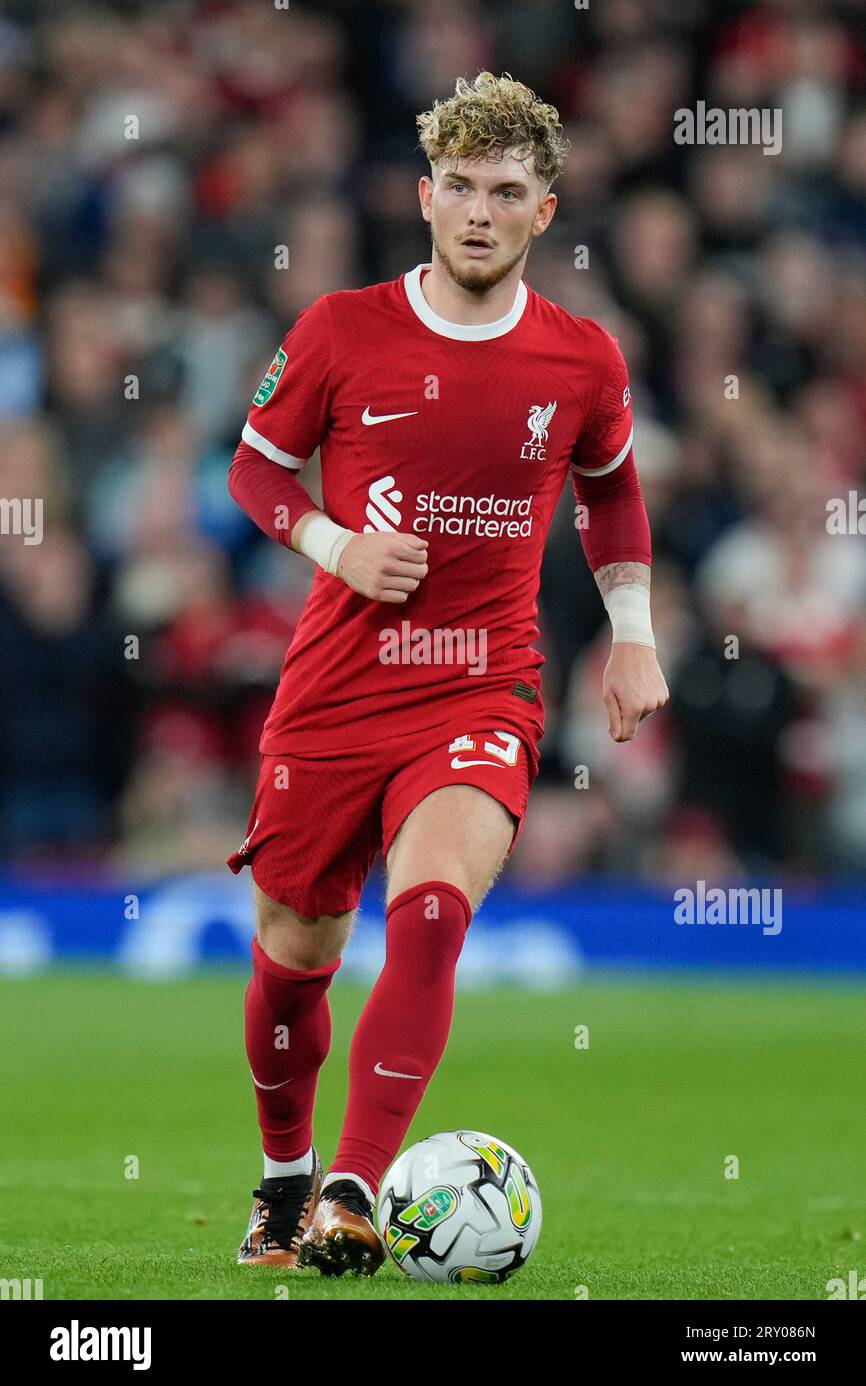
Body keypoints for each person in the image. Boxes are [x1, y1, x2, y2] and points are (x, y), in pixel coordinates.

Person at [226, 71, 669, 1277]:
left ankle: (355, 1189)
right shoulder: (339, 329)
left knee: (428, 918)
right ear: (425, 199)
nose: (479, 211)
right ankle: (283, 1179)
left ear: (544, 211)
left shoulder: (579, 360)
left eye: (506, 192)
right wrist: (333, 545)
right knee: (296, 956)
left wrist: (631, 626)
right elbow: (256, 471)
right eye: (460, 188)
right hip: (334, 688)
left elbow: (612, 488)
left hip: (482, 684)